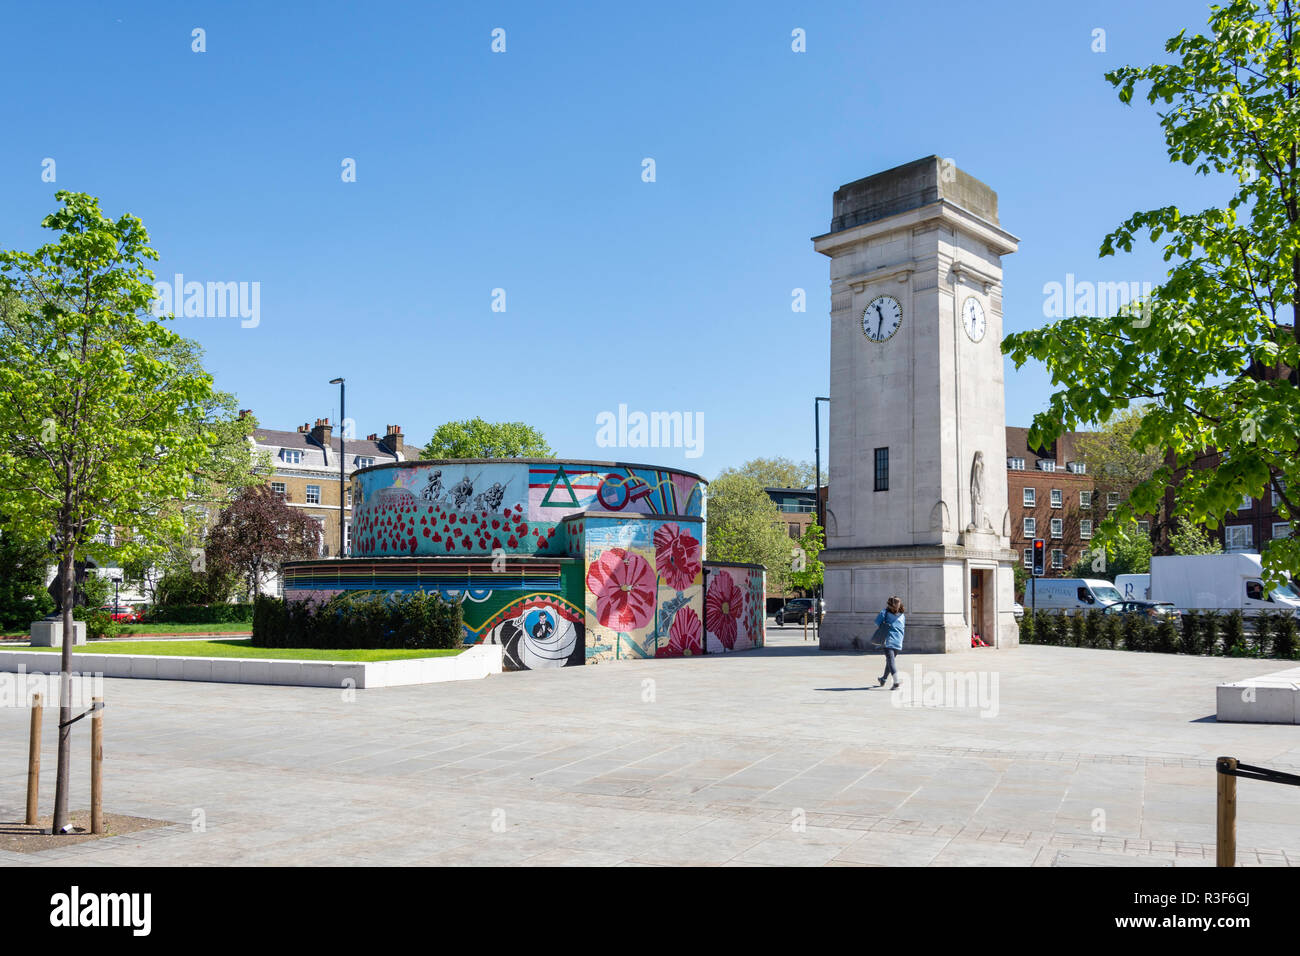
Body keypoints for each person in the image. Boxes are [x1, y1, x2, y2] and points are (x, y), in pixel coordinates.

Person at [875, 596, 905, 690]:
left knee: (891, 661)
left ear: (889, 604)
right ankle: (883, 679)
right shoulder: (902, 615)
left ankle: (896, 683)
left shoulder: (885, 613)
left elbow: (877, 622)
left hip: (888, 640)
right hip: (898, 641)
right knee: (889, 660)